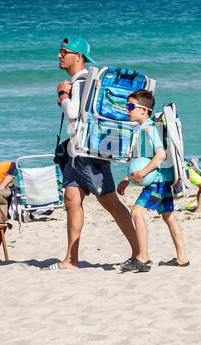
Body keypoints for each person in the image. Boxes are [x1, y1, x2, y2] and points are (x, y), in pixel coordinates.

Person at [53, 35, 139, 268]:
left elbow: (73, 113)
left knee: (110, 203)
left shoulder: (81, 83)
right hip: (77, 153)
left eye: (64, 52)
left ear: (78, 57)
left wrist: (62, 95)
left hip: (89, 154)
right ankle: (71, 259)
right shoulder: (83, 82)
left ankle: (139, 251)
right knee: (72, 199)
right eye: (60, 52)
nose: (59, 56)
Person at [117, 90, 189, 270]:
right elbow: (143, 157)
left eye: (131, 106)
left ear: (144, 110)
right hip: (160, 179)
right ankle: (182, 258)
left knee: (136, 212)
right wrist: (128, 178)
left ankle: (143, 257)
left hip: (156, 180)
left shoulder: (149, 129)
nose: (127, 110)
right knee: (168, 216)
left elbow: (160, 155)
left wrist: (141, 174)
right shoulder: (141, 129)